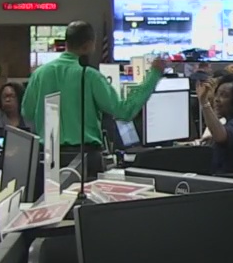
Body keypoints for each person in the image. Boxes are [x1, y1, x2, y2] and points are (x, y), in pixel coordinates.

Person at [23, 21, 164, 169]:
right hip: (84, 158)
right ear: (89, 45)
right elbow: (124, 111)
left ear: (67, 42)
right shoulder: (90, 76)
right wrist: (153, 75)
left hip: (48, 157)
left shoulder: (39, 74)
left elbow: (27, 112)